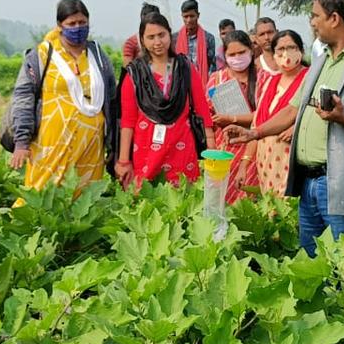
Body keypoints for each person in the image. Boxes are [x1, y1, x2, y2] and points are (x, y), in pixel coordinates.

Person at [228, 0, 344, 256]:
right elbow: (292, 110)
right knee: (313, 267)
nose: (312, 23)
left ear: (334, 19)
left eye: (315, 16)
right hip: (310, 184)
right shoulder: (322, 61)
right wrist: (254, 133)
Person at [8, 0, 120, 191]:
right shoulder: (43, 55)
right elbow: (24, 96)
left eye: (82, 22)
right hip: (51, 146)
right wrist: (21, 142)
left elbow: (112, 100)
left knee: (85, 199)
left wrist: (113, 145)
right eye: (72, 23)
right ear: (60, 25)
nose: (78, 28)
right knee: (43, 195)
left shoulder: (97, 55)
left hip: (91, 148)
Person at [117, 13, 215, 189]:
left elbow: (201, 108)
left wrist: (211, 145)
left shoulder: (185, 67)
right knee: (148, 197)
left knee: (184, 198)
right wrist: (124, 161)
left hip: (181, 146)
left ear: (170, 34)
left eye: (161, 35)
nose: (157, 42)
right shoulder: (135, 74)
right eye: (151, 37)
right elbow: (128, 121)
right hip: (146, 149)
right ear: (142, 40)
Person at [206, 30, 260, 203]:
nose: (237, 58)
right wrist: (212, 146)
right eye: (232, 54)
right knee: (221, 199)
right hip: (223, 148)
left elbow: (265, 116)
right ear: (225, 55)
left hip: (254, 148)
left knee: (249, 202)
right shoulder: (216, 79)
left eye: (241, 52)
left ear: (251, 50)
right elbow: (206, 116)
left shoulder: (262, 78)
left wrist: (232, 119)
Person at [253, 29, 308, 196]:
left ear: (301, 50)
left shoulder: (309, 78)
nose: (286, 53)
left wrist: (296, 128)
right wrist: (245, 161)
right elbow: (256, 124)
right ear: (274, 54)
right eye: (281, 49)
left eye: (291, 47)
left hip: (289, 159)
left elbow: (315, 113)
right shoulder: (270, 81)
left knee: (289, 206)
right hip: (266, 161)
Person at [176, 0, 216, 78]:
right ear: (182, 16)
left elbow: (212, 65)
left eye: (192, 16)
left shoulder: (208, 38)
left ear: (198, 15)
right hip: (181, 82)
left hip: (202, 81)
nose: (189, 20)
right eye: (186, 16)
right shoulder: (175, 39)